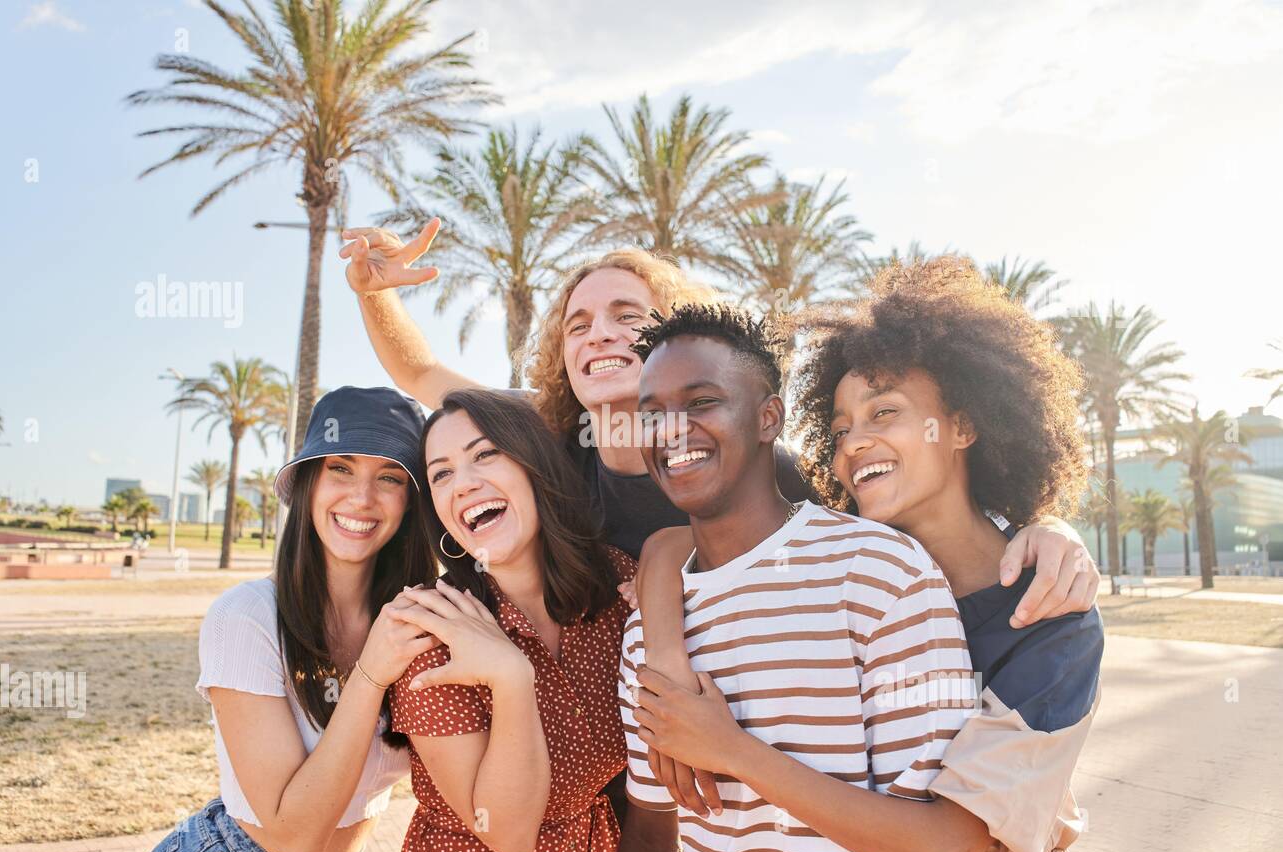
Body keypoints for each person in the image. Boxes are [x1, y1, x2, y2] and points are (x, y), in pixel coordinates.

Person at [339, 219, 1101, 817]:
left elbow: (898, 502)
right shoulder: (545, 442)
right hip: (615, 745)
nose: (599, 333)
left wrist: (1044, 526)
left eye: (627, 316)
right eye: (577, 323)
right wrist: (376, 294)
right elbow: (421, 373)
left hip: (750, 749)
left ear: (677, 340)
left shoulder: (761, 466)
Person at [634, 260, 1105, 852]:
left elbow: (958, 843)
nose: (853, 443)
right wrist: (666, 656)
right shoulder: (850, 553)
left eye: (884, 413)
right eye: (838, 431)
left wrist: (731, 750)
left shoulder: (1051, 618)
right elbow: (685, 541)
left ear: (963, 425)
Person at [616, 305, 979, 852]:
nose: (671, 430)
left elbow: (949, 845)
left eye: (702, 402)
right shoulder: (648, 633)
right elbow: (651, 838)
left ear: (768, 418)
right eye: (652, 414)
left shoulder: (882, 572)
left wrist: (734, 752)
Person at [143, 387, 439, 852]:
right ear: (308, 484)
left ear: (411, 502)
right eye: (340, 469)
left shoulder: (412, 618)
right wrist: (371, 674)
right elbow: (293, 839)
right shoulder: (245, 616)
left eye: (389, 477)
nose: (362, 498)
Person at [385, 388, 638, 852]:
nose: (463, 485)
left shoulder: (616, 581)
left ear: (535, 465)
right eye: (441, 474)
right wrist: (511, 678)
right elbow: (508, 832)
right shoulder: (433, 632)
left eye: (485, 454)